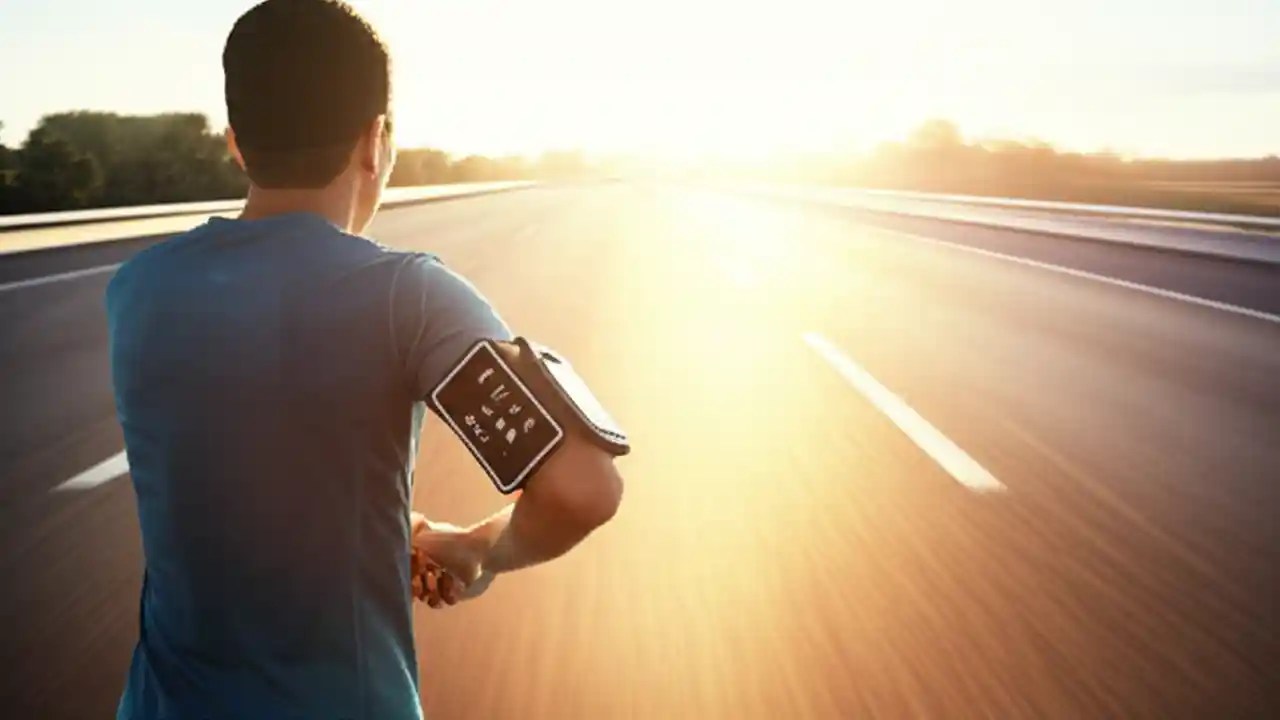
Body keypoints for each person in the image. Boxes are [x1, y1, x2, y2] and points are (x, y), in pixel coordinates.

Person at [105, 1, 624, 718]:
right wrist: (477, 549)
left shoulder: (136, 291)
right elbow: (581, 489)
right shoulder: (408, 298)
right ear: (374, 141)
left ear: (237, 144)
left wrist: (401, 532)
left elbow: (237, 473)